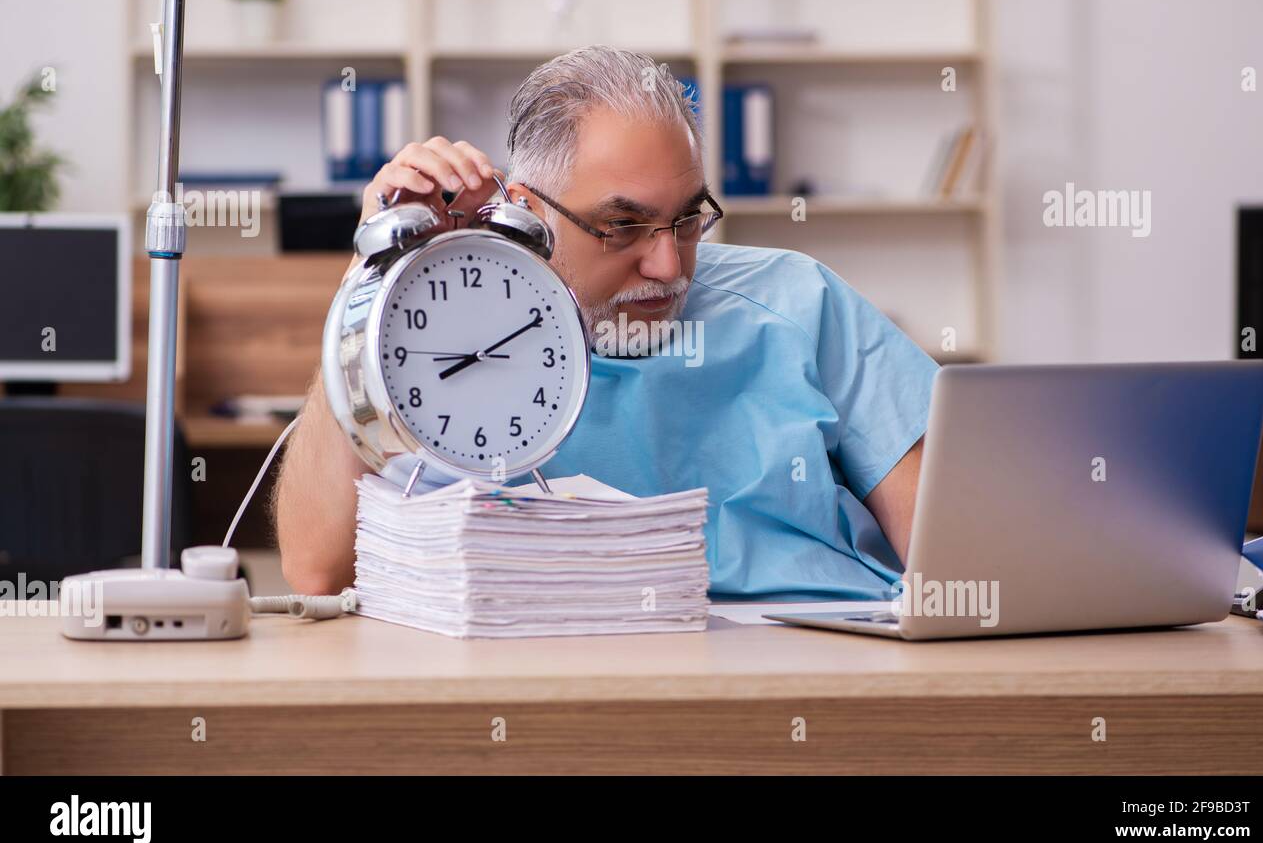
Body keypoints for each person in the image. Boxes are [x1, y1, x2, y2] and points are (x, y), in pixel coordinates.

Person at [275, 45, 937, 601]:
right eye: (623, 225)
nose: (667, 263)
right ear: (527, 211)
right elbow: (316, 572)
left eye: (686, 218)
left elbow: (962, 558)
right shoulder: (438, 330)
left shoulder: (798, 301)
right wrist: (371, 278)